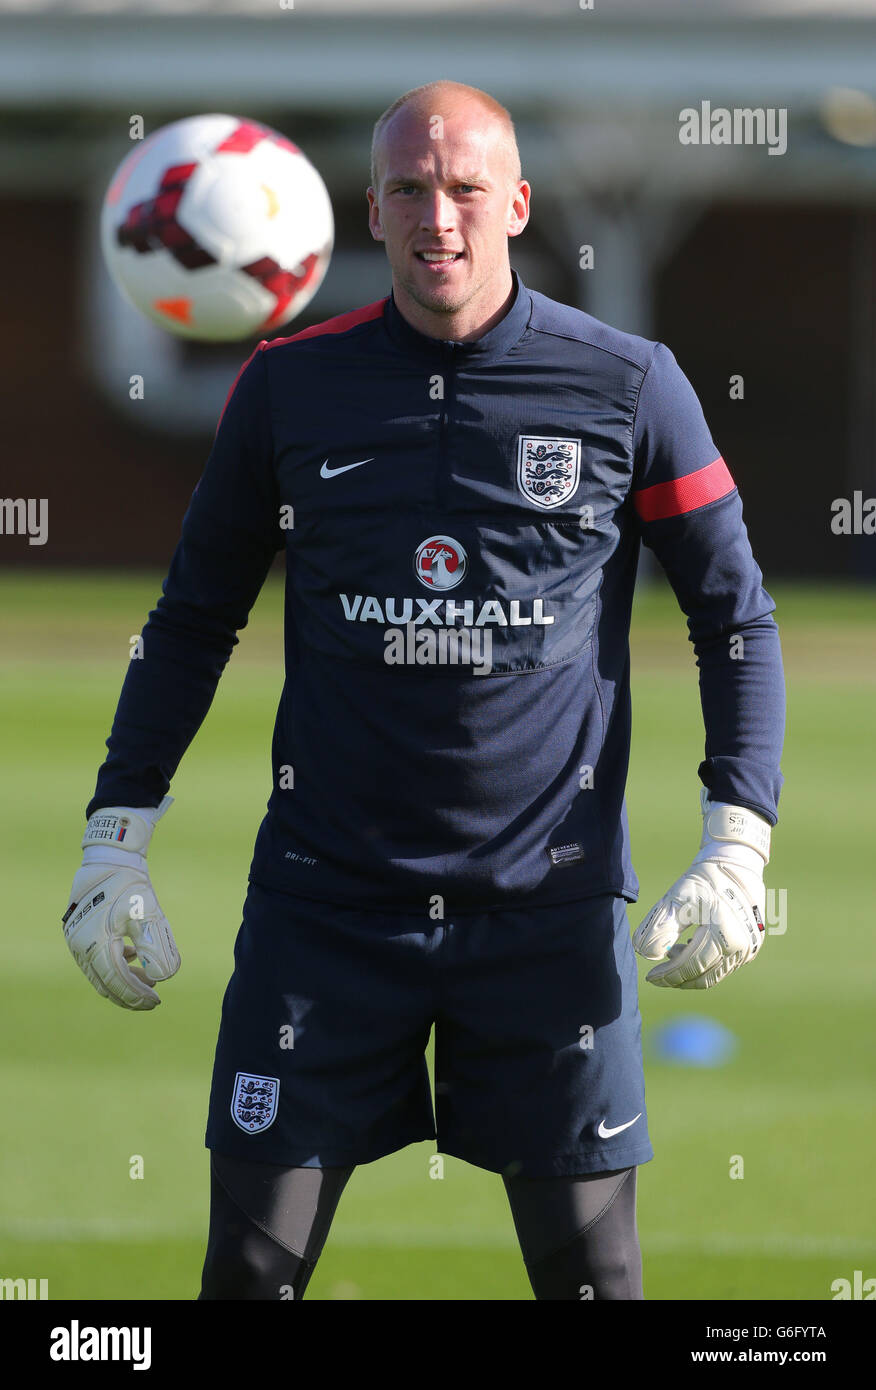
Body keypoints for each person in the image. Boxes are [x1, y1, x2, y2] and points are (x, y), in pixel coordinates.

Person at [62, 80, 785, 1301]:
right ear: (371, 210)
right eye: (409, 188)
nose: (436, 215)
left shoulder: (628, 381)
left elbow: (736, 613)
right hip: (326, 915)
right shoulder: (289, 389)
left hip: (545, 924)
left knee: (598, 1285)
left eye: (462, 188)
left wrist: (739, 839)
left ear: (517, 203)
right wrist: (114, 835)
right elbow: (192, 622)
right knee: (245, 1275)